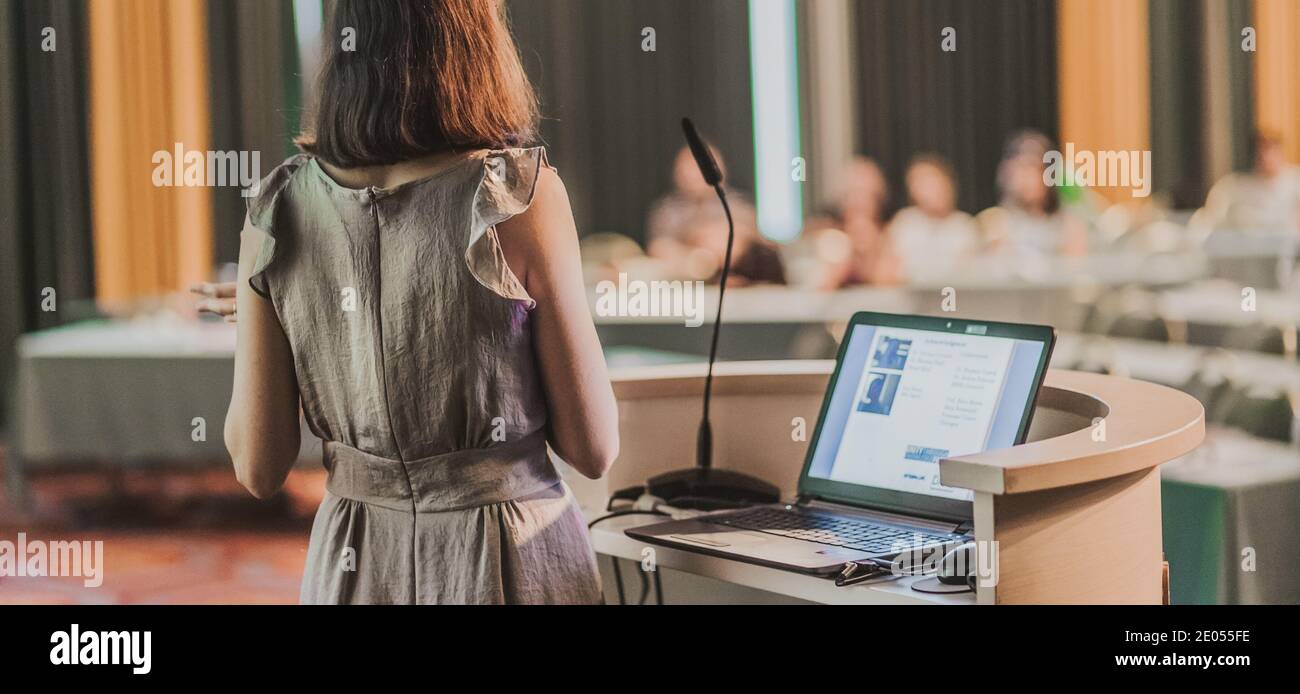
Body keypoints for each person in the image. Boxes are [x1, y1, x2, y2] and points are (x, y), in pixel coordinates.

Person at [221, 0, 617, 604]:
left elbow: (257, 466)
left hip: (355, 563)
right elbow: (593, 447)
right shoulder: (516, 196)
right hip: (505, 559)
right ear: (474, 36)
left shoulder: (276, 210)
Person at [645, 145, 783, 285]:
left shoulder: (737, 206)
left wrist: (732, 241)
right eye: (689, 167)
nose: (694, 174)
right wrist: (699, 256)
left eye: (699, 166)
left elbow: (761, 244)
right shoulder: (668, 211)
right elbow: (659, 247)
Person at [979, 130, 1088, 261]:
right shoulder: (996, 224)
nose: (1026, 178)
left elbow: (1075, 269)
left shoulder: (1067, 225)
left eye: (1034, 169)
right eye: (1021, 169)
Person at [802, 156, 899, 288]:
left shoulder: (893, 234)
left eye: (866, 194)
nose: (859, 202)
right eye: (852, 193)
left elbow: (891, 284)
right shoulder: (829, 238)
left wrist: (871, 254)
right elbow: (819, 288)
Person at [886, 154, 980, 278]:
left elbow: (972, 271)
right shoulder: (904, 222)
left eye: (935, 182)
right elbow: (888, 270)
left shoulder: (964, 225)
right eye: (922, 184)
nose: (932, 190)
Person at [1203, 130, 1300, 233]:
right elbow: (1212, 220)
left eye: (1270, 150)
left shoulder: (1295, 180)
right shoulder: (1232, 186)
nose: (1266, 158)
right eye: (1260, 153)